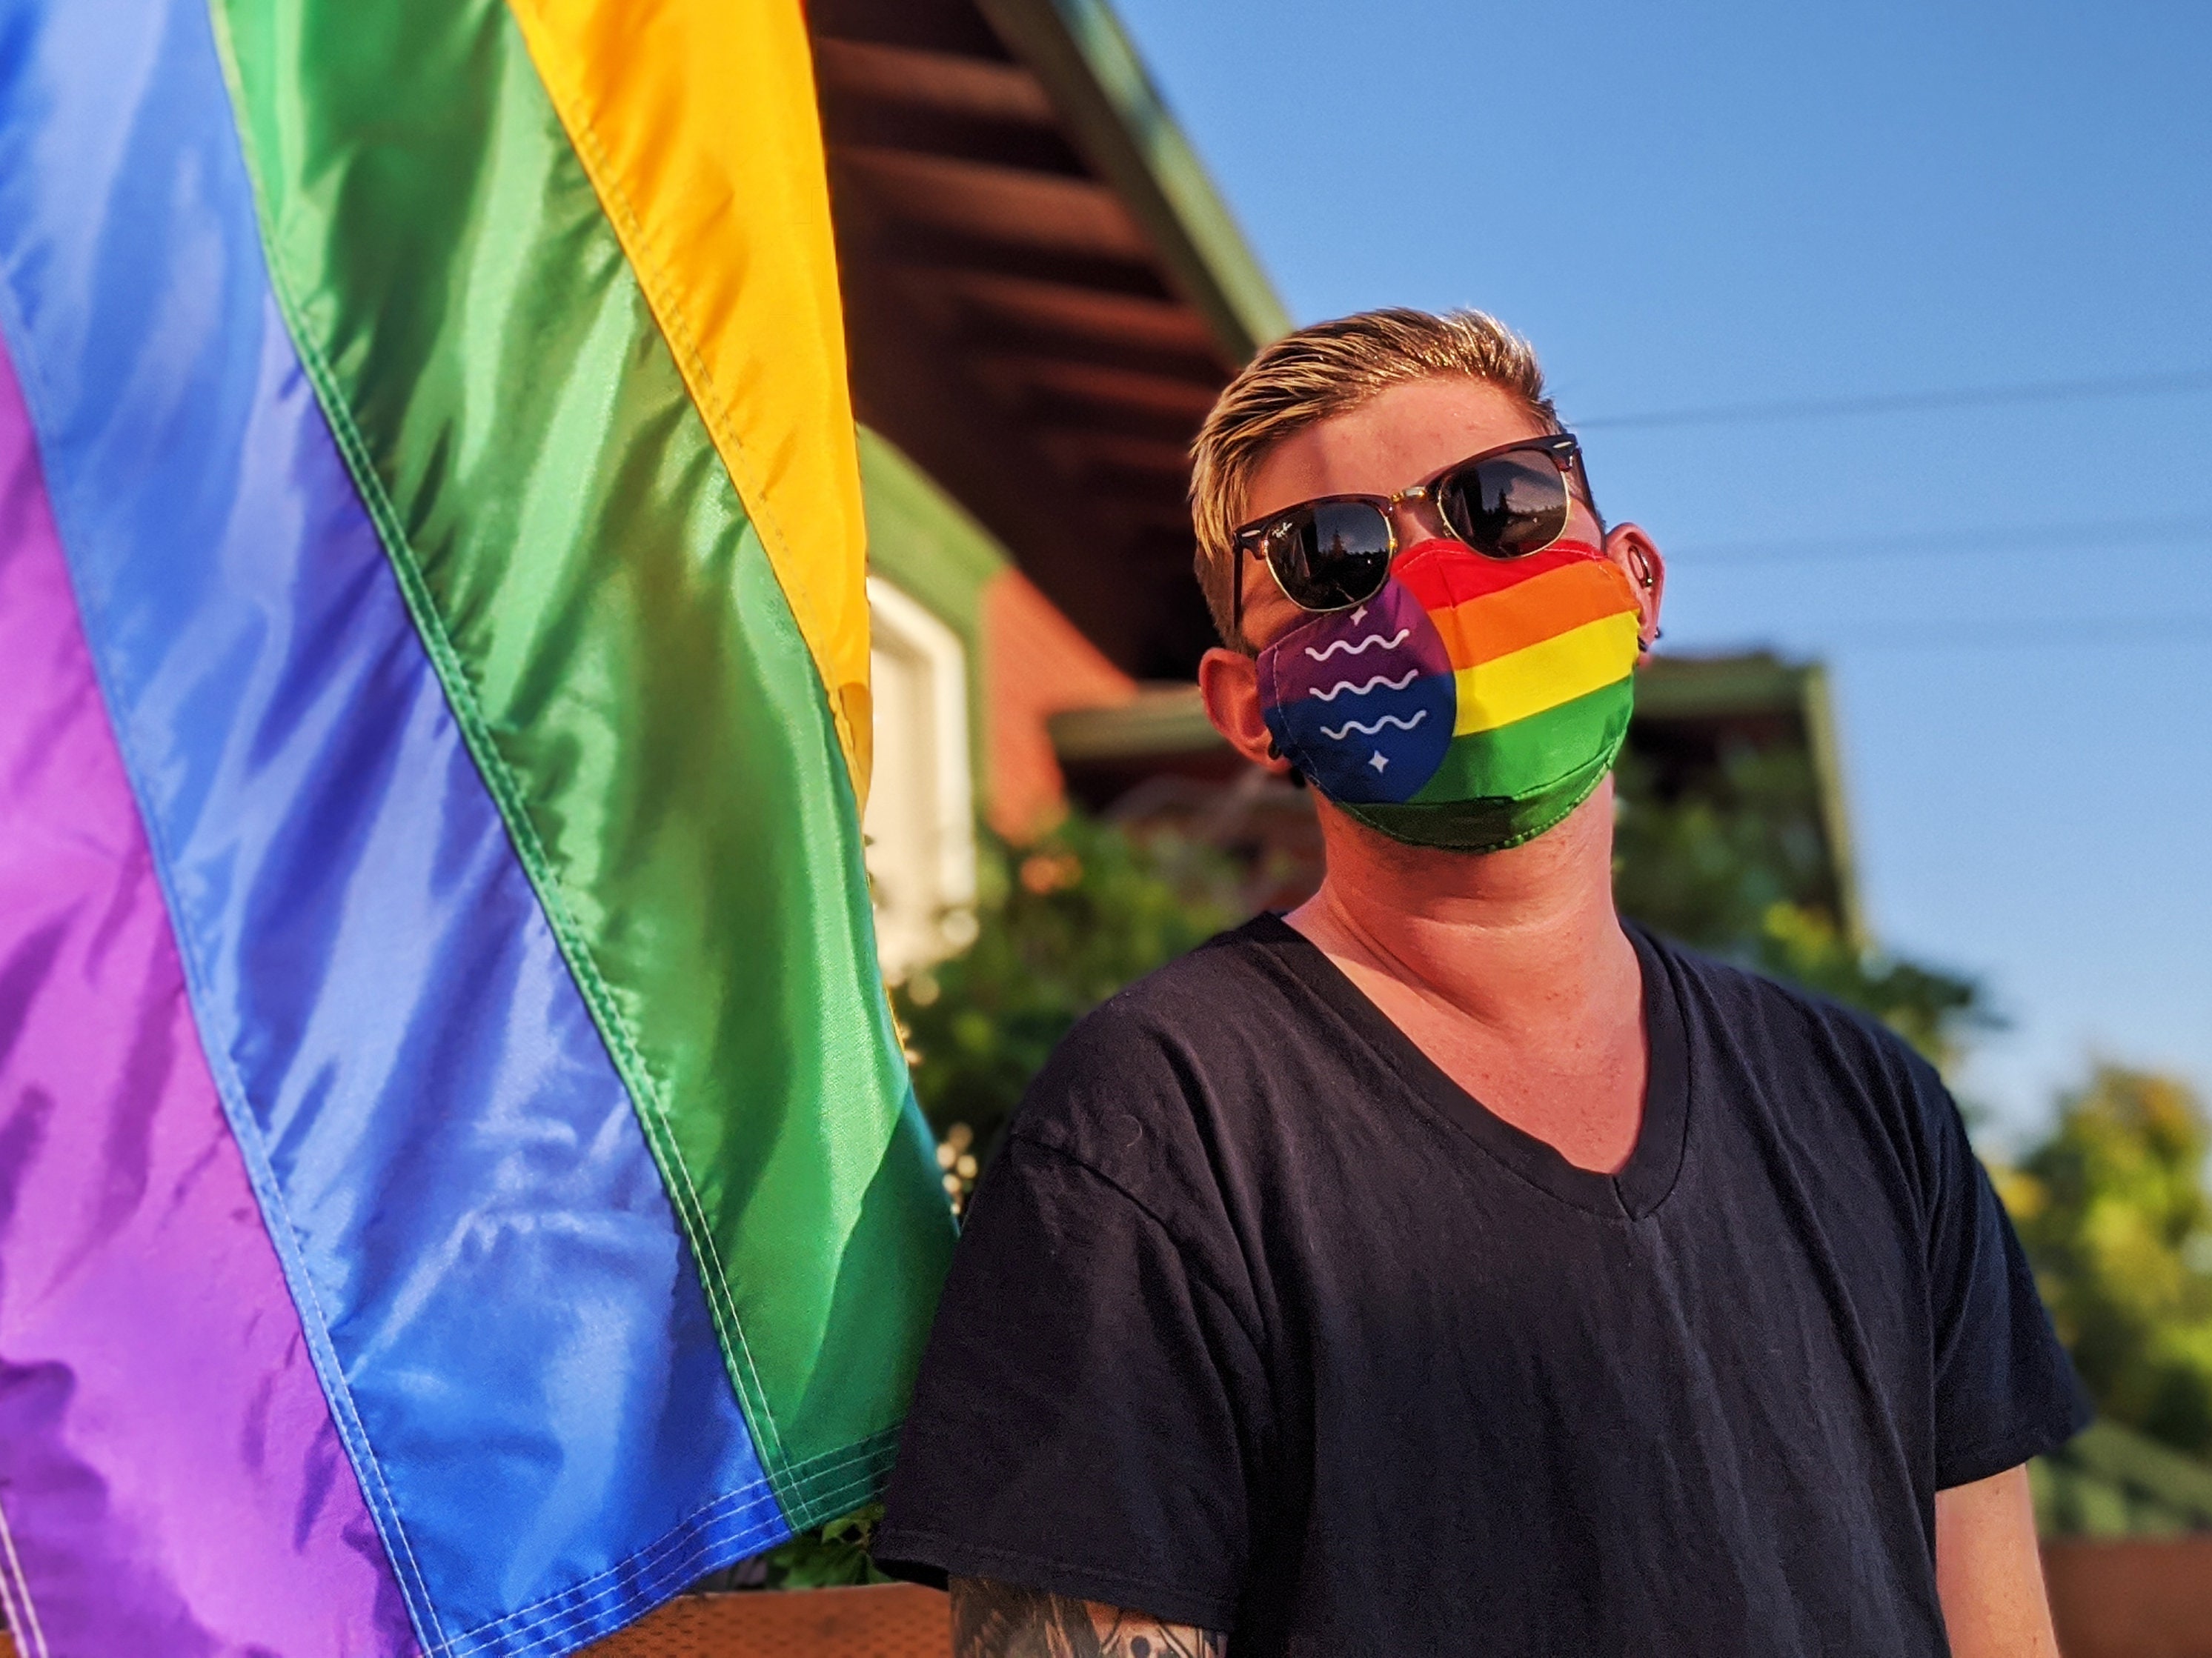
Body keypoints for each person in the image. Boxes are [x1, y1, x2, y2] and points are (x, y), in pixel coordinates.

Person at [873, 308, 2087, 1657]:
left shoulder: (1870, 1106)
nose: (1436, 580)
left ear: (1634, 584)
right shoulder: (1157, 1120)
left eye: (1501, 504)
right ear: (1245, 705)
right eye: (1330, 555)